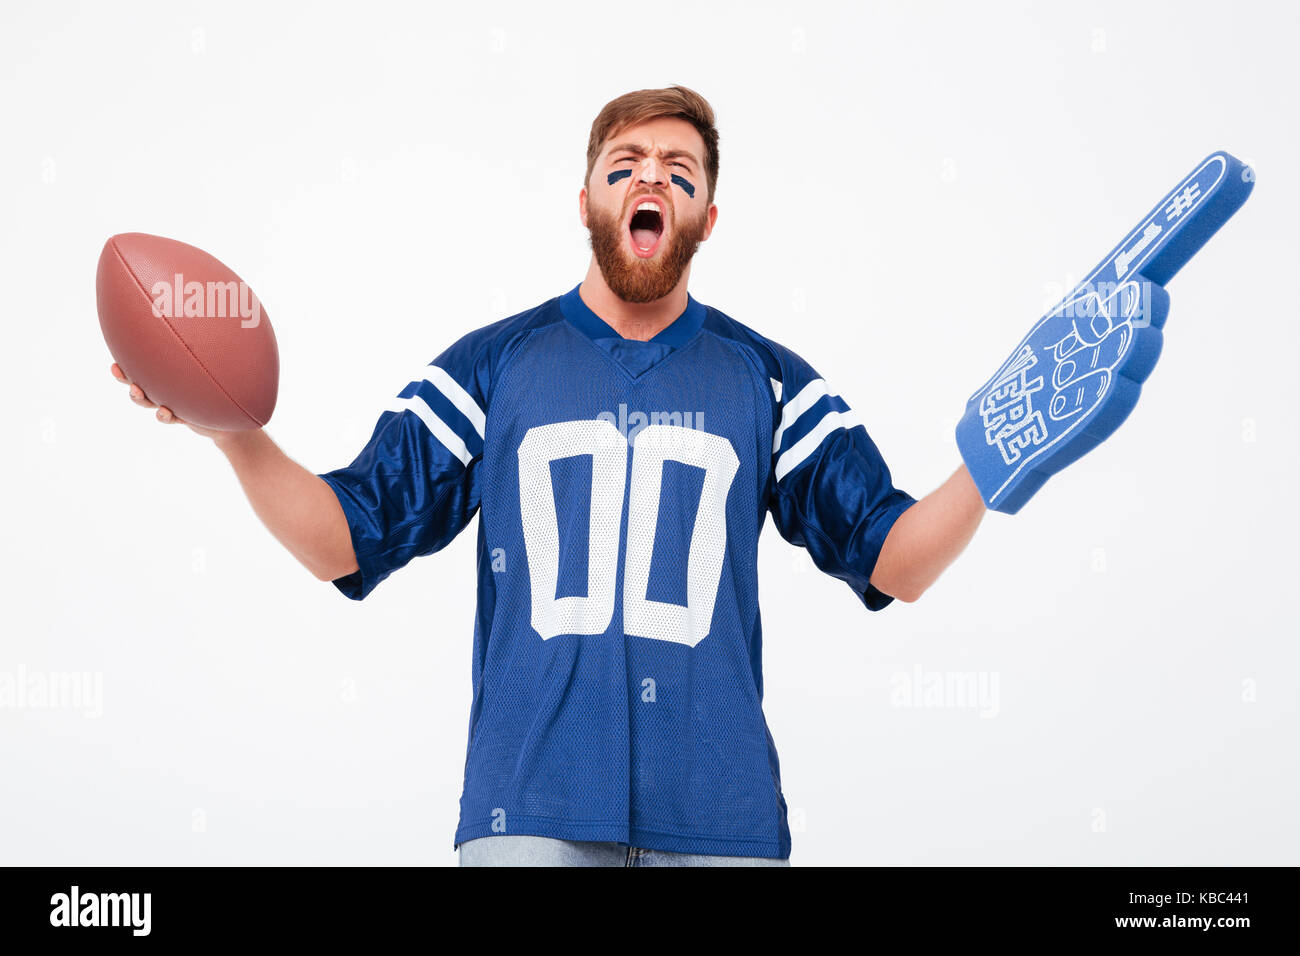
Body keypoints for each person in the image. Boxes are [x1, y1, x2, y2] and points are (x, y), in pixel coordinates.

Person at [112, 85, 986, 866]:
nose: (653, 179)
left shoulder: (768, 378)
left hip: (723, 817)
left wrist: (997, 460)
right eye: (627, 163)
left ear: (708, 216)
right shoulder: (496, 366)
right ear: (585, 201)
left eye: (680, 168)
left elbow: (893, 559)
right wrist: (231, 433)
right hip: (526, 815)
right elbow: (345, 536)